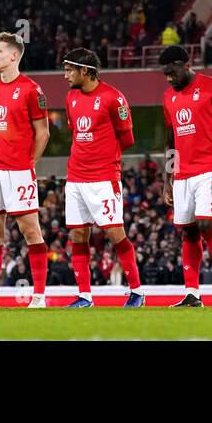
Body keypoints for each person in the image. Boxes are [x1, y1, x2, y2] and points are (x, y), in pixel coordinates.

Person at [60, 48, 145, 308]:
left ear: (85, 71)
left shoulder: (113, 98)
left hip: (103, 177)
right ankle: (85, 296)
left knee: (114, 233)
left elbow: (128, 139)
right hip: (75, 177)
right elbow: (75, 132)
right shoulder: (71, 97)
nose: (65, 76)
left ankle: (137, 292)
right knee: (77, 236)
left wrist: (103, 154)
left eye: (69, 70)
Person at [158, 45, 212, 307]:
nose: (169, 78)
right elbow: (170, 142)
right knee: (188, 232)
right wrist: (167, 179)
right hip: (182, 174)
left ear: (185, 63)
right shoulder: (169, 97)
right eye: (165, 75)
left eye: (172, 72)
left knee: (206, 224)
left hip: (209, 170)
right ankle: (192, 293)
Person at [0, 32, 51, 309]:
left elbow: (43, 133)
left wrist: (30, 163)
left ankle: (39, 296)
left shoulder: (32, 89)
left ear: (14, 55)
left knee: (31, 231)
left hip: (18, 171)